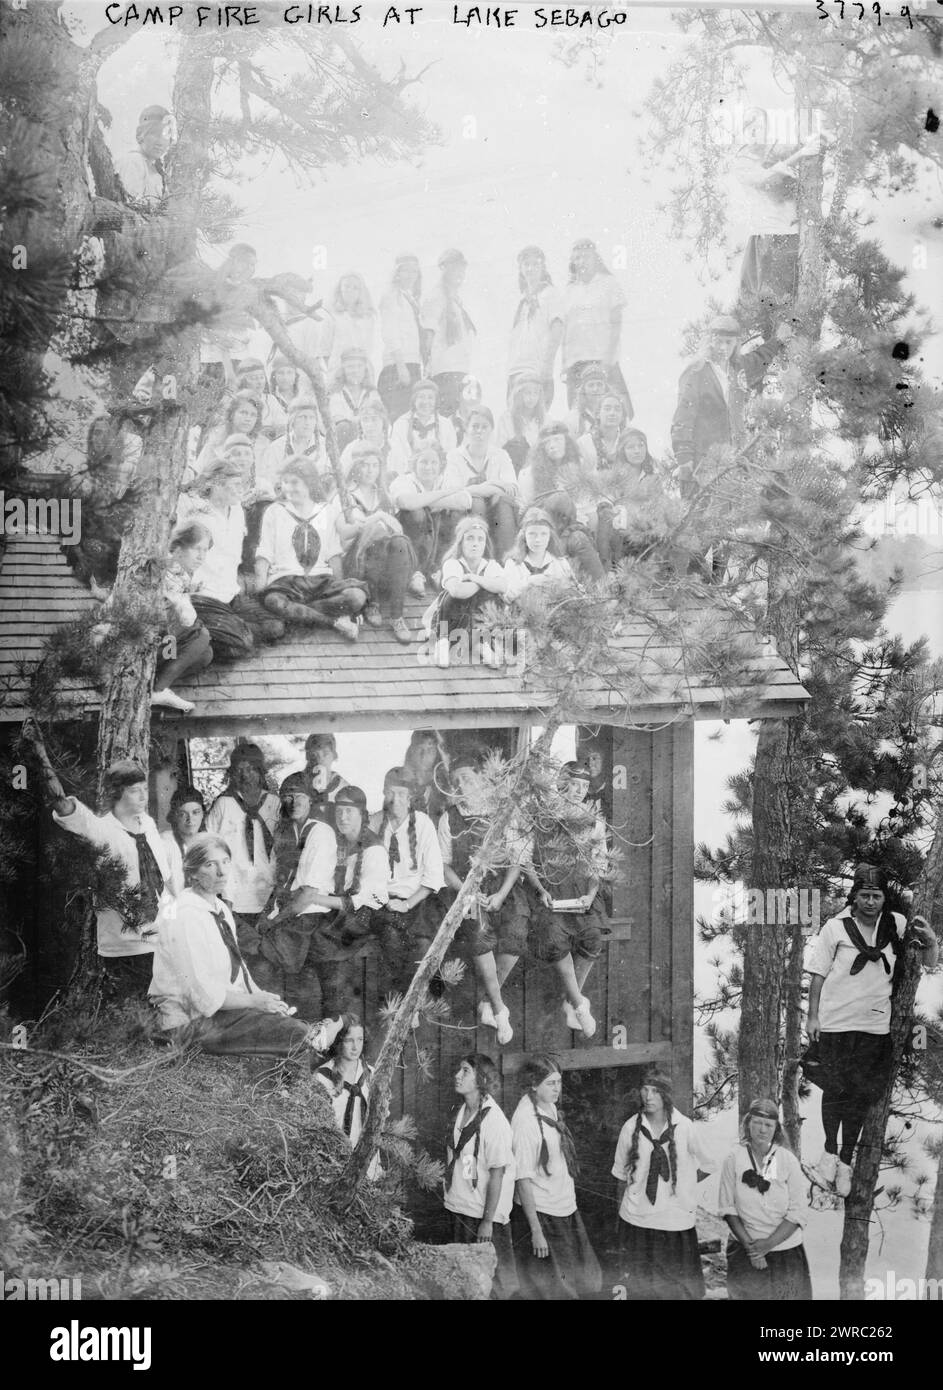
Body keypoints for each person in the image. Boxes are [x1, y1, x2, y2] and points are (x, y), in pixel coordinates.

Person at [148, 834, 345, 1062]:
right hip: (187, 1022)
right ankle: (311, 1035)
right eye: (210, 865)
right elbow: (204, 998)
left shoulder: (219, 909)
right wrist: (254, 1003)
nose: (221, 872)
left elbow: (238, 971)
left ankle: (308, 1037)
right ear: (192, 872)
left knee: (278, 1018)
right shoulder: (185, 915)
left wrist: (262, 998)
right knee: (293, 1034)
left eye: (225, 862)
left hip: (216, 1013)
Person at [806, 862, 937, 1196]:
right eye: (864, 895)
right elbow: (818, 974)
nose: (869, 902)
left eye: (876, 895)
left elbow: (928, 962)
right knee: (835, 1089)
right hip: (836, 1022)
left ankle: (846, 1163)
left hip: (874, 1025)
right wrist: (812, 1017)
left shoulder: (896, 924)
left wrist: (932, 940)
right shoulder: (835, 927)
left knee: (861, 1095)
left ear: (884, 897)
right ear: (854, 895)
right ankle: (829, 1154)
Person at [26, 725, 173, 983]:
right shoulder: (100, 830)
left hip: (163, 941)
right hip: (126, 949)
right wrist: (40, 753)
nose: (142, 795)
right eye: (134, 790)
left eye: (143, 788)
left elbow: (165, 880)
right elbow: (60, 802)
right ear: (116, 793)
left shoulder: (147, 825)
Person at [263, 784, 388, 1018]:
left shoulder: (374, 849)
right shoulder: (338, 842)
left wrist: (314, 897)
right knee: (303, 937)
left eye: (349, 811)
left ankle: (332, 1018)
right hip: (338, 915)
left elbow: (359, 901)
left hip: (363, 919)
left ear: (363, 814)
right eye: (339, 810)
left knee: (321, 948)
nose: (343, 816)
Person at [438, 753, 524, 1045]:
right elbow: (444, 865)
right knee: (477, 930)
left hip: (504, 888)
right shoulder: (449, 818)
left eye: (467, 778)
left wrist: (501, 894)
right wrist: (467, 892)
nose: (462, 785)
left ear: (482, 778)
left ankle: (488, 1000)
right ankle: (500, 1010)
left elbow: (517, 860)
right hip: (467, 889)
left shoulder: (503, 810)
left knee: (516, 930)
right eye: (456, 781)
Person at [518, 761, 607, 1039]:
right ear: (560, 784)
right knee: (554, 937)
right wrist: (540, 889)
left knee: (592, 935)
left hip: (580, 891)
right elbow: (525, 860)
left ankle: (572, 1001)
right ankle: (579, 1004)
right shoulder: (541, 817)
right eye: (573, 785)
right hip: (547, 890)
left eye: (584, 787)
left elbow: (599, 865)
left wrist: (590, 896)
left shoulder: (594, 822)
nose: (579, 791)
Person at [612, 1069, 712, 1300]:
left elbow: (709, 1164)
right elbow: (619, 1174)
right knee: (640, 1285)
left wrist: (685, 1183)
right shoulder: (630, 1128)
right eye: (645, 1090)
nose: (648, 1097)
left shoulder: (685, 1127)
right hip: (638, 1219)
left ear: (665, 1095)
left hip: (673, 1221)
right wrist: (623, 1211)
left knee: (675, 1288)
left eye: (655, 1092)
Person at [511, 1055, 602, 1300]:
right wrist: (536, 1230)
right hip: (543, 1215)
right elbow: (523, 1181)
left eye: (559, 1082)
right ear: (533, 1084)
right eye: (550, 1083)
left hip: (564, 1208)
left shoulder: (547, 1106)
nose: (557, 1089)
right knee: (554, 1289)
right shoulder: (525, 1123)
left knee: (582, 1278)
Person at [177, 458, 286, 661]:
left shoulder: (236, 510)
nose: (241, 489)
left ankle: (226, 630)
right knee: (243, 642)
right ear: (217, 484)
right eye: (236, 485)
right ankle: (202, 632)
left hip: (231, 595)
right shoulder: (196, 513)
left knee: (275, 627)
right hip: (203, 596)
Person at [254, 458, 368, 642]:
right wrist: (260, 590)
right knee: (273, 601)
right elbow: (264, 552)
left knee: (356, 597)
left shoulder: (327, 511)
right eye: (285, 482)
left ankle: (298, 614)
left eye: (294, 482)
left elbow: (333, 554)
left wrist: (338, 586)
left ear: (309, 482)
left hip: (320, 581)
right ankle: (333, 622)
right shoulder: (275, 511)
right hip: (286, 581)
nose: (288, 488)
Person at [730, 108, 824, 325]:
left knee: (794, 293)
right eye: (750, 127)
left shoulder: (772, 150)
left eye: (761, 126)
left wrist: (809, 143)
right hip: (769, 236)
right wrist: (800, 155)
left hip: (791, 233)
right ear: (744, 131)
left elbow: (798, 147)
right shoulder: (742, 160)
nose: (756, 131)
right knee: (772, 299)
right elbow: (764, 179)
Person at [718, 1098, 813, 1300]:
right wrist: (753, 1250)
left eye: (768, 1125)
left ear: (776, 1128)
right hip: (744, 1251)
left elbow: (798, 1213)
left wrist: (768, 1245)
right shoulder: (734, 1158)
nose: (762, 1129)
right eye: (757, 1123)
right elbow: (727, 1208)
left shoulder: (787, 1160)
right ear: (747, 1124)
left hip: (785, 1254)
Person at [444, 1055, 519, 1300]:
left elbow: (498, 1173)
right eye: (459, 1069)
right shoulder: (461, 1111)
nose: (458, 1075)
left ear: (481, 1079)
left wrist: (487, 1222)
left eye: (465, 1071)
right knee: (462, 1283)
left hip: (483, 1218)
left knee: (492, 1286)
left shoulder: (495, 1122)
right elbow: (468, 1162)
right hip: (460, 1207)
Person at [371, 765, 445, 1001]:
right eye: (391, 793)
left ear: (411, 797)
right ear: (384, 794)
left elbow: (433, 876)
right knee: (391, 940)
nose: (396, 800)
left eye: (402, 794)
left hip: (417, 902)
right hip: (384, 902)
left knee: (421, 946)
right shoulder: (375, 822)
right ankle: (402, 1003)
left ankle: (416, 1002)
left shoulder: (422, 823)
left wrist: (407, 904)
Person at [205, 743, 279, 958]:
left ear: (260, 771)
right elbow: (208, 845)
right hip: (233, 895)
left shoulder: (273, 803)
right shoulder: (224, 805)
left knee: (265, 957)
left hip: (267, 893)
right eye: (239, 770)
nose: (245, 775)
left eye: (251, 769)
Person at [343, 442, 416, 644]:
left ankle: (397, 616)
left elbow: (398, 530)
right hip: (356, 564)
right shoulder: (347, 494)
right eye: (365, 465)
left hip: (383, 565)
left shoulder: (383, 495)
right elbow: (360, 526)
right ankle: (371, 602)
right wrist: (382, 516)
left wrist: (383, 516)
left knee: (399, 542)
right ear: (356, 467)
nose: (370, 470)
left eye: (375, 465)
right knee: (376, 530)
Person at [518, 426, 605, 582]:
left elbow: (590, 512)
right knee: (560, 499)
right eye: (547, 442)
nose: (553, 445)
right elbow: (524, 513)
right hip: (543, 535)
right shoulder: (529, 475)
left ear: (567, 442)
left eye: (557, 439)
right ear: (540, 448)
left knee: (580, 538)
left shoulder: (578, 470)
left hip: (572, 531)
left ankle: (605, 593)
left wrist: (594, 543)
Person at [389, 441, 472, 592]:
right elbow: (405, 501)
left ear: (441, 465)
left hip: (436, 537)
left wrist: (423, 500)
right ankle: (415, 573)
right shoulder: (404, 480)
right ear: (414, 464)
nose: (429, 467)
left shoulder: (444, 479)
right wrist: (444, 494)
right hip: (412, 536)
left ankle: (439, 568)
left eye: (434, 462)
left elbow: (465, 500)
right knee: (417, 513)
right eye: (423, 462)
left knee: (456, 514)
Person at [150, 522, 215, 714]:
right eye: (197, 549)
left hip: (159, 642)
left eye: (205, 550)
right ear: (178, 549)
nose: (202, 556)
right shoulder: (169, 571)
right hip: (142, 644)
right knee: (202, 635)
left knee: (205, 654)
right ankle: (158, 690)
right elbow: (187, 619)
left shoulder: (175, 568)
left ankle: (152, 681)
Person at [440, 407, 519, 561]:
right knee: (477, 502)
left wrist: (483, 489)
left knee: (504, 503)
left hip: (496, 511)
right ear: (466, 428)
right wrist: (494, 485)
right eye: (475, 426)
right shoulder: (455, 456)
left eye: (484, 427)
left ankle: (507, 561)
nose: (479, 431)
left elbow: (512, 488)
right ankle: (478, 560)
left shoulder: (500, 455)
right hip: (466, 511)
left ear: (491, 430)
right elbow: (454, 490)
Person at [428, 516, 507, 669]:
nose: (475, 544)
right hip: (452, 621)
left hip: (477, 623)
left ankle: (483, 643)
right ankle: (442, 643)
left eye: (480, 539)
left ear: (485, 544)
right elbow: (457, 590)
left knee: (493, 597)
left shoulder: (490, 565)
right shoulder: (453, 563)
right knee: (450, 596)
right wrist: (483, 582)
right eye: (470, 538)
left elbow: (503, 586)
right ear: (461, 543)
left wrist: (473, 578)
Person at [561, 239, 630, 408]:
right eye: (577, 258)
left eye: (586, 257)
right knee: (577, 412)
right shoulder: (569, 291)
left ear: (595, 258)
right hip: (575, 362)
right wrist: (564, 364)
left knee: (613, 408)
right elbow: (566, 331)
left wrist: (609, 359)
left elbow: (616, 325)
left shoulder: (609, 284)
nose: (581, 262)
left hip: (601, 358)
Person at [315, 1015, 382, 1179]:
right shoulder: (323, 1077)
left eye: (359, 1040)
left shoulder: (373, 1074)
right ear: (338, 1042)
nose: (355, 1047)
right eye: (349, 1040)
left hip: (367, 1160)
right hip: (335, 1159)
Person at [594, 426, 663, 570]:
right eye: (631, 447)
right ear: (623, 451)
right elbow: (605, 506)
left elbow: (661, 506)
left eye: (641, 445)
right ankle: (609, 569)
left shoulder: (654, 474)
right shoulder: (615, 475)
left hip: (648, 530)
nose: (637, 451)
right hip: (622, 533)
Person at [421, 250, 477, 416]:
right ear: (444, 270)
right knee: (447, 418)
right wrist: (427, 367)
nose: (459, 273)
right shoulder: (437, 296)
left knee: (460, 420)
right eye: (453, 268)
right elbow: (428, 335)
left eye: (461, 268)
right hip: (445, 370)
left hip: (460, 369)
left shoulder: (455, 299)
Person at [507, 245, 563, 407]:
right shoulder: (521, 301)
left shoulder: (550, 294)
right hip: (515, 371)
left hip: (536, 370)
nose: (530, 268)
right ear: (520, 269)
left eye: (535, 264)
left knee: (536, 424)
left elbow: (557, 330)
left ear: (542, 267)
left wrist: (547, 366)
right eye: (526, 264)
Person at [378, 253, 424, 420]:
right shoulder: (391, 296)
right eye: (406, 270)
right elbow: (389, 333)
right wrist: (401, 366)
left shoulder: (410, 298)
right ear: (397, 273)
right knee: (399, 417)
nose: (411, 275)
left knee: (412, 418)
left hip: (412, 363)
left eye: (414, 271)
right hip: (397, 365)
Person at [258, 396, 326, 502]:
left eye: (311, 417)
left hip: (314, 501)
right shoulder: (277, 447)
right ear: (292, 420)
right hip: (282, 501)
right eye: (302, 417)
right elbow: (267, 480)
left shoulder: (325, 446)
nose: (307, 422)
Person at [502, 506, 574, 602]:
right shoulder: (513, 563)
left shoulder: (560, 563)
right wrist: (530, 582)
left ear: (550, 536)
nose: (538, 540)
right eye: (532, 534)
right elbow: (507, 598)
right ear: (524, 535)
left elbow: (571, 593)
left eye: (543, 534)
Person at [388, 379, 457, 477]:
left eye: (430, 397)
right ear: (414, 400)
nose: (426, 402)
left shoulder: (446, 424)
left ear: (436, 401)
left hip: (438, 478)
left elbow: (450, 455)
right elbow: (398, 457)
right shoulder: (401, 424)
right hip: (409, 477)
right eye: (421, 397)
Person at [114, 104, 173, 211]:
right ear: (141, 135)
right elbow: (132, 208)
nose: (160, 142)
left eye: (165, 136)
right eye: (154, 134)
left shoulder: (155, 168)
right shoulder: (133, 161)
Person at [496, 370, 548, 475]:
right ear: (519, 394)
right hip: (514, 468)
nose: (531, 398)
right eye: (527, 393)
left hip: (538, 469)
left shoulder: (546, 419)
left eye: (535, 393)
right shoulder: (506, 418)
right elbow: (500, 450)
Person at [325, 271, 377, 374]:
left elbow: (368, 347)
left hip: (360, 369)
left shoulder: (367, 317)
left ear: (361, 291)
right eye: (346, 286)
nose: (350, 290)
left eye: (355, 288)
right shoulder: (331, 315)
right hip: (337, 368)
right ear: (340, 289)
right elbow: (324, 348)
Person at [328, 348, 378, 453]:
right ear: (343, 370)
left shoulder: (372, 393)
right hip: (344, 440)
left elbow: (378, 416)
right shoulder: (336, 392)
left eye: (359, 366)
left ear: (365, 369)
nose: (355, 371)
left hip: (368, 436)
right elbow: (337, 418)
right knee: (344, 427)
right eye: (350, 367)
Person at [161, 784, 207, 896]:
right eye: (183, 814)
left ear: (203, 814)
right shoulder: (165, 842)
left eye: (195, 812)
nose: (190, 819)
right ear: (175, 816)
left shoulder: (209, 842)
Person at [339, 397, 394, 487]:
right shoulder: (352, 448)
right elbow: (343, 476)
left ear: (383, 421)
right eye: (365, 420)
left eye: (374, 419)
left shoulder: (393, 447)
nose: (369, 424)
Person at [576, 391, 632, 470]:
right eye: (607, 409)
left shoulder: (628, 441)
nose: (612, 413)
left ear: (622, 416)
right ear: (598, 414)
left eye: (617, 409)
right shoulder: (584, 442)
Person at [404, 729, 451, 822]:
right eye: (420, 748)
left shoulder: (446, 787)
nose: (424, 755)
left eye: (430, 749)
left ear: (437, 753)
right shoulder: (402, 785)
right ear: (412, 751)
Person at [299, 732, 349, 817]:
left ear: (334, 756)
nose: (320, 760)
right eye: (314, 755)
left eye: (325, 754)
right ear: (307, 756)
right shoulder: (297, 785)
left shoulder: (344, 789)